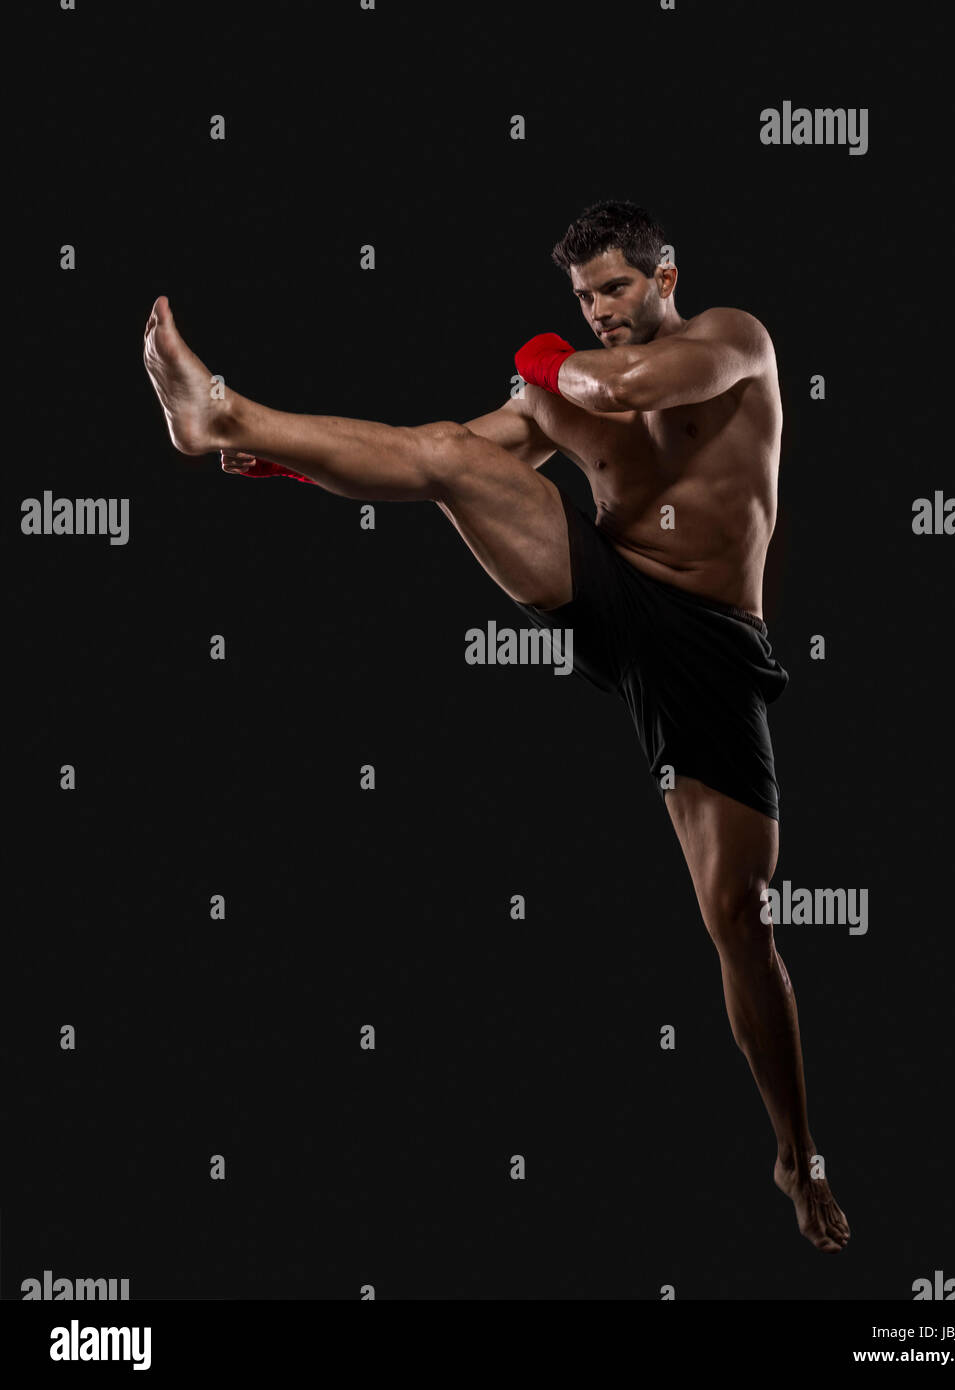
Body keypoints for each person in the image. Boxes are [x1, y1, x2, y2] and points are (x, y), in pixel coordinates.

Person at [143, 199, 849, 1253]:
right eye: (581, 298)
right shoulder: (570, 374)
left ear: (664, 275)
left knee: (738, 913)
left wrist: (540, 356)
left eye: (614, 287)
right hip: (613, 592)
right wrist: (291, 460)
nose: (599, 311)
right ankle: (223, 412)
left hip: (710, 644)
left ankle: (796, 1154)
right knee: (450, 462)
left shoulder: (731, 341)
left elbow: (626, 386)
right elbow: (440, 450)